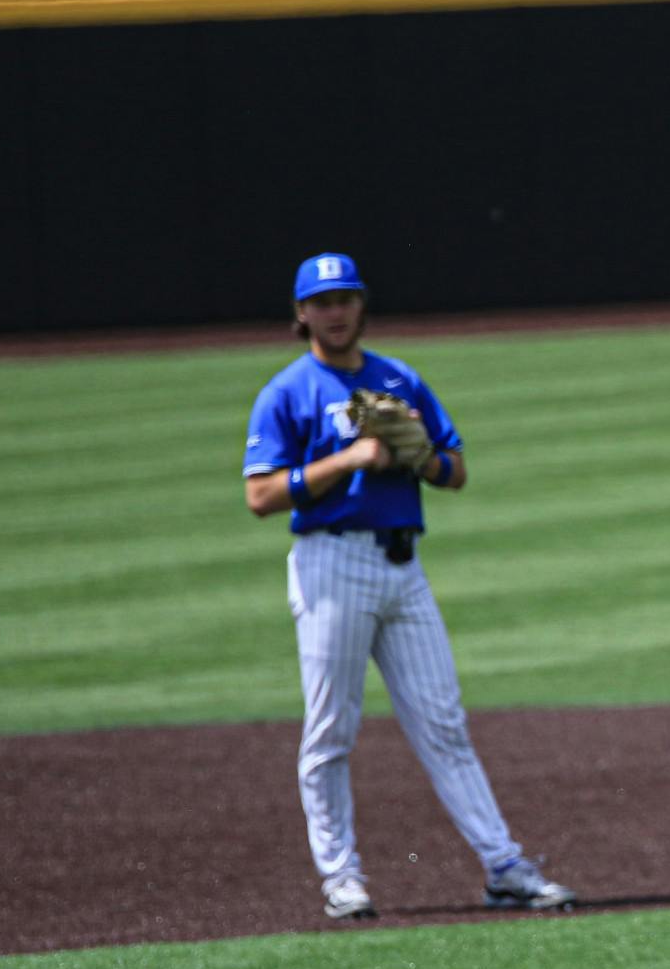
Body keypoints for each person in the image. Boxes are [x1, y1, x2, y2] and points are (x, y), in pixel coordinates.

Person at [242, 252, 576, 922]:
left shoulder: (400, 379)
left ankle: (504, 865)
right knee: (332, 728)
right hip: (330, 565)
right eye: (323, 301)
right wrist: (350, 458)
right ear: (301, 312)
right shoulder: (288, 391)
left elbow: (456, 470)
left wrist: (422, 456)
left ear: (362, 305)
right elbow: (261, 495)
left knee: (444, 723)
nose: (336, 312)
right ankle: (341, 878)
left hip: (404, 568)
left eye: (346, 299)